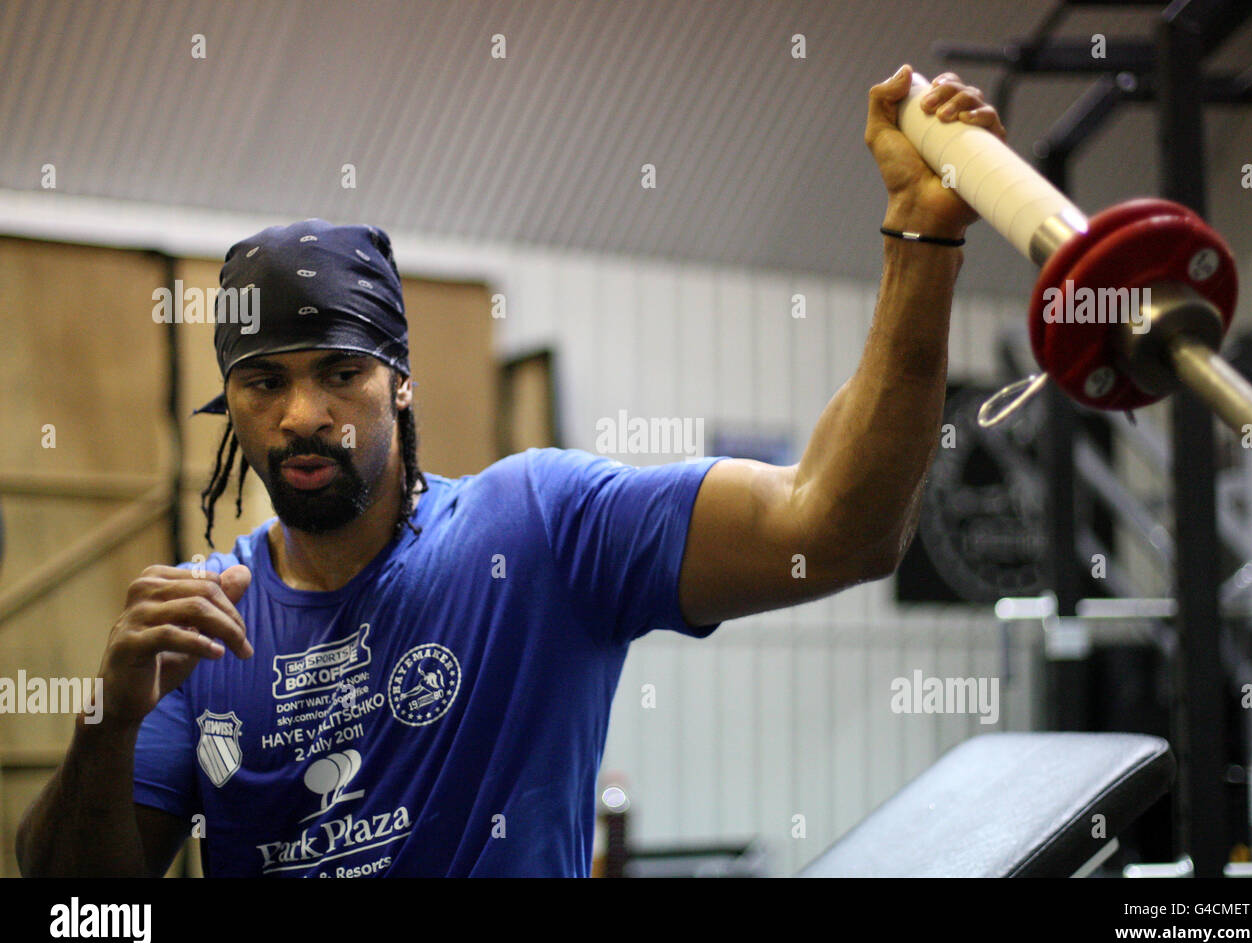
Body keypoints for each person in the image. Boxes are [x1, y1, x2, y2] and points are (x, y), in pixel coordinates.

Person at [16, 66, 1005, 877]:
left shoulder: (538, 528)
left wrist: (920, 241)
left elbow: (837, 527)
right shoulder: (201, 627)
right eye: (264, 382)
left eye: (340, 373)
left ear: (398, 382)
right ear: (231, 403)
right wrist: (109, 716)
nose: (304, 414)